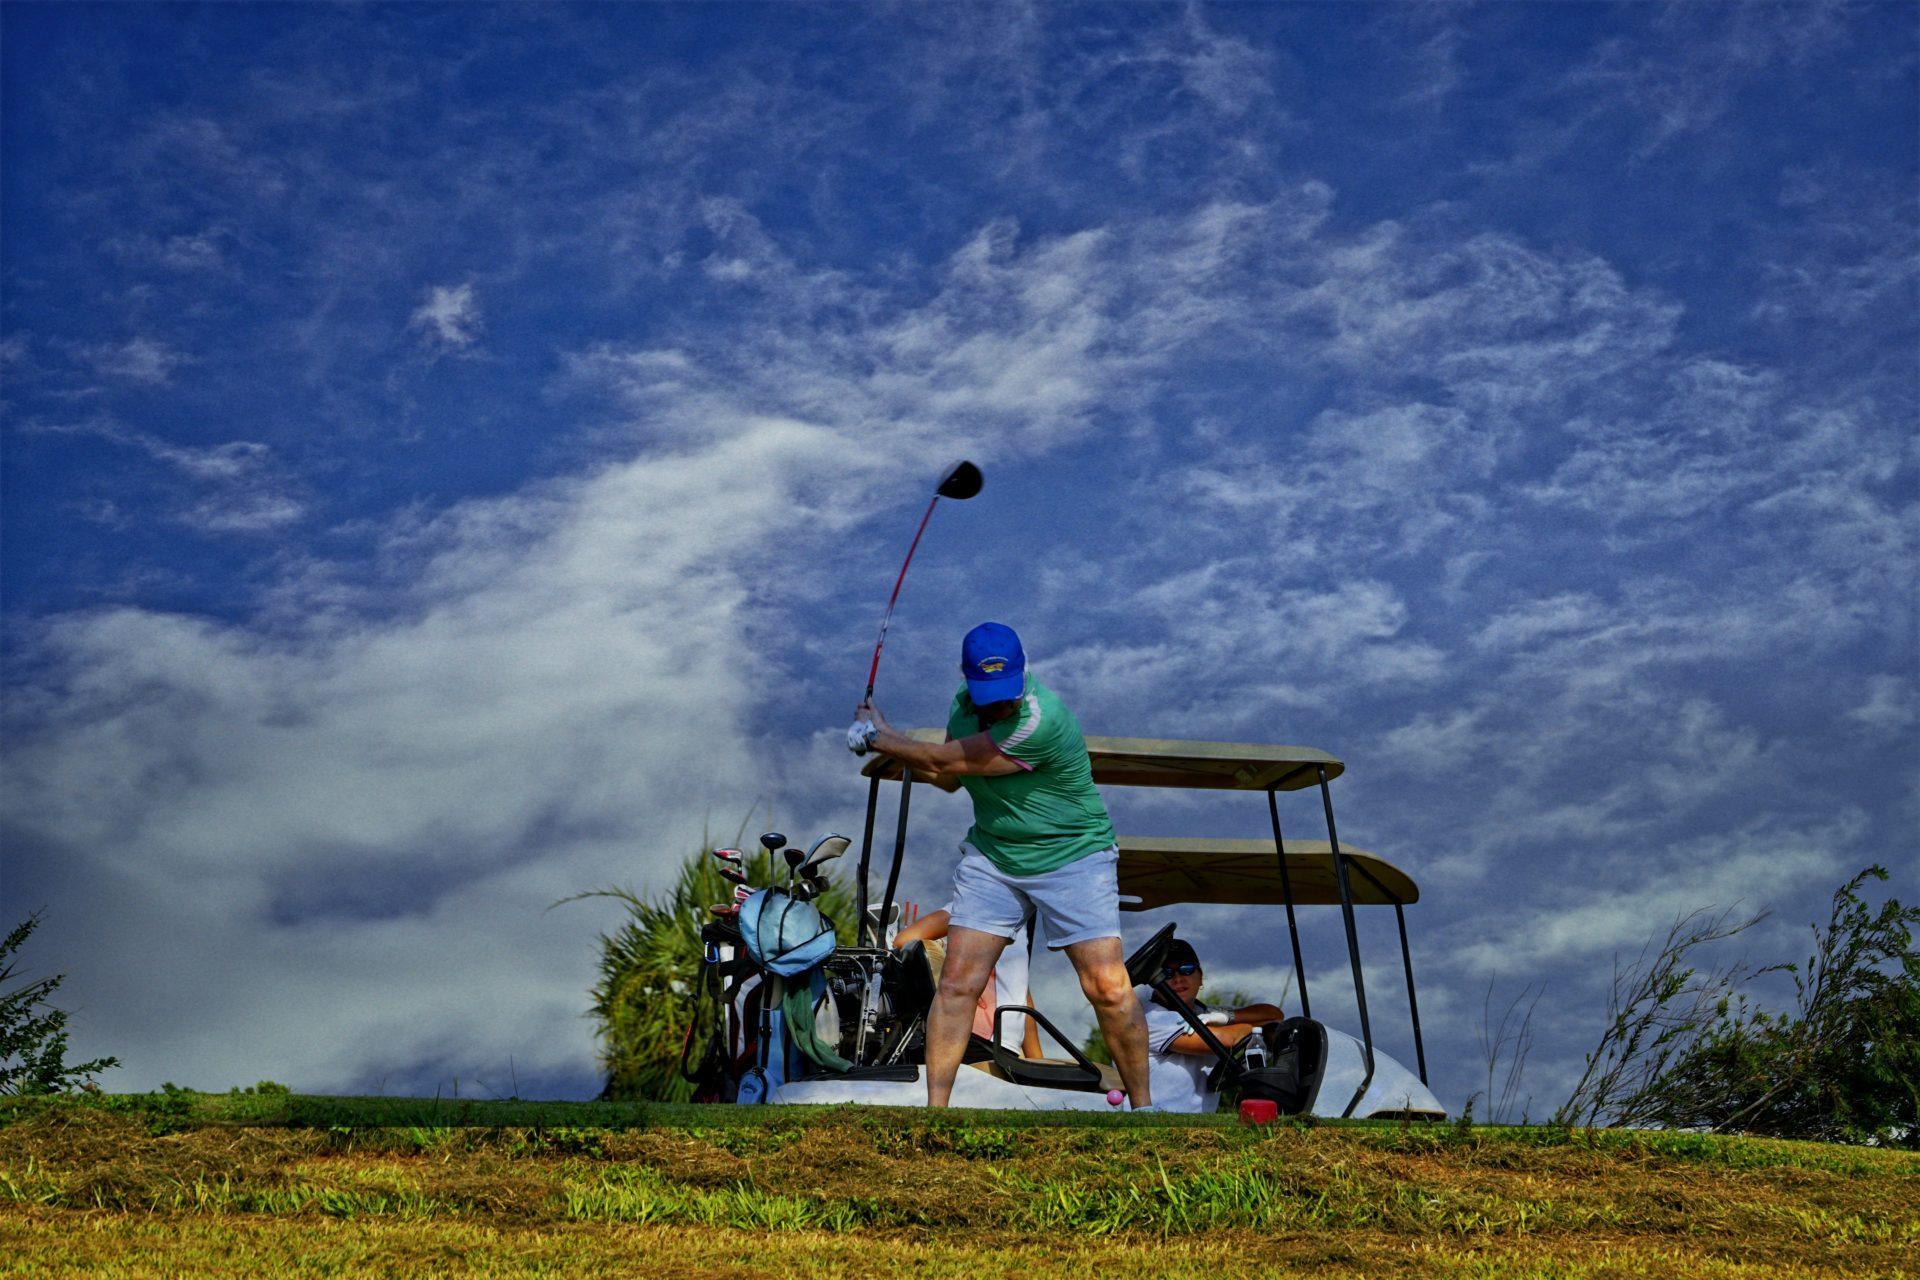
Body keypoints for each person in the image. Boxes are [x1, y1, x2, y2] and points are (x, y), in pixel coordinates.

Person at [851, 620, 1154, 1110]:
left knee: (1106, 986)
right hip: (995, 854)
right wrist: (891, 744)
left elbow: (947, 759)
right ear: (967, 680)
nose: (1000, 703)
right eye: (988, 692)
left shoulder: (1041, 719)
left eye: (1007, 690)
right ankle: (935, 1116)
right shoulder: (962, 706)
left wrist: (880, 735)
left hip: (1073, 855)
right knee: (956, 983)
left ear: (1024, 671)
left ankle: (1145, 1108)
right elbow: (948, 777)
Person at [1143, 938, 1286, 1114]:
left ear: (1200, 977)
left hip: (1195, 1124)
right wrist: (1253, 1030)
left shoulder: (1208, 1014)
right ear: (1155, 982)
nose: (1178, 979)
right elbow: (1226, 1040)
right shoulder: (1152, 1018)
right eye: (1167, 973)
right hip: (1157, 1120)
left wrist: (1227, 1017)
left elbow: (1274, 1015)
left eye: (1186, 969)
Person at [892, 904, 1042, 1057]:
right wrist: (946, 949)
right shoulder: (980, 904)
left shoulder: (1020, 923)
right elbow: (903, 940)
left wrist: (1037, 1063)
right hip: (974, 1036)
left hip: (1005, 1048)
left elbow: (1020, 995)